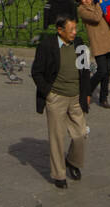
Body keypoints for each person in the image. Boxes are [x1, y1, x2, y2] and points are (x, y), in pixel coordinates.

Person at [30, 16, 90, 189]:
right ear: (60, 30)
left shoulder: (79, 44)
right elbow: (37, 72)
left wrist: (86, 92)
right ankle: (59, 174)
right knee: (57, 137)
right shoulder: (46, 46)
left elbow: (85, 69)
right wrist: (48, 93)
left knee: (80, 134)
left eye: (75, 29)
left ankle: (72, 161)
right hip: (56, 97)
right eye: (70, 29)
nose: (74, 32)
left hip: (76, 97)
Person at [77, 0, 110, 108]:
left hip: (107, 38)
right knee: (102, 70)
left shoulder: (96, 2)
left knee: (107, 72)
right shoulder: (81, 10)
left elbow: (109, 9)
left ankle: (104, 98)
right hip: (97, 41)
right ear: (80, 1)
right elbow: (96, 17)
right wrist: (100, 3)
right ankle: (87, 91)